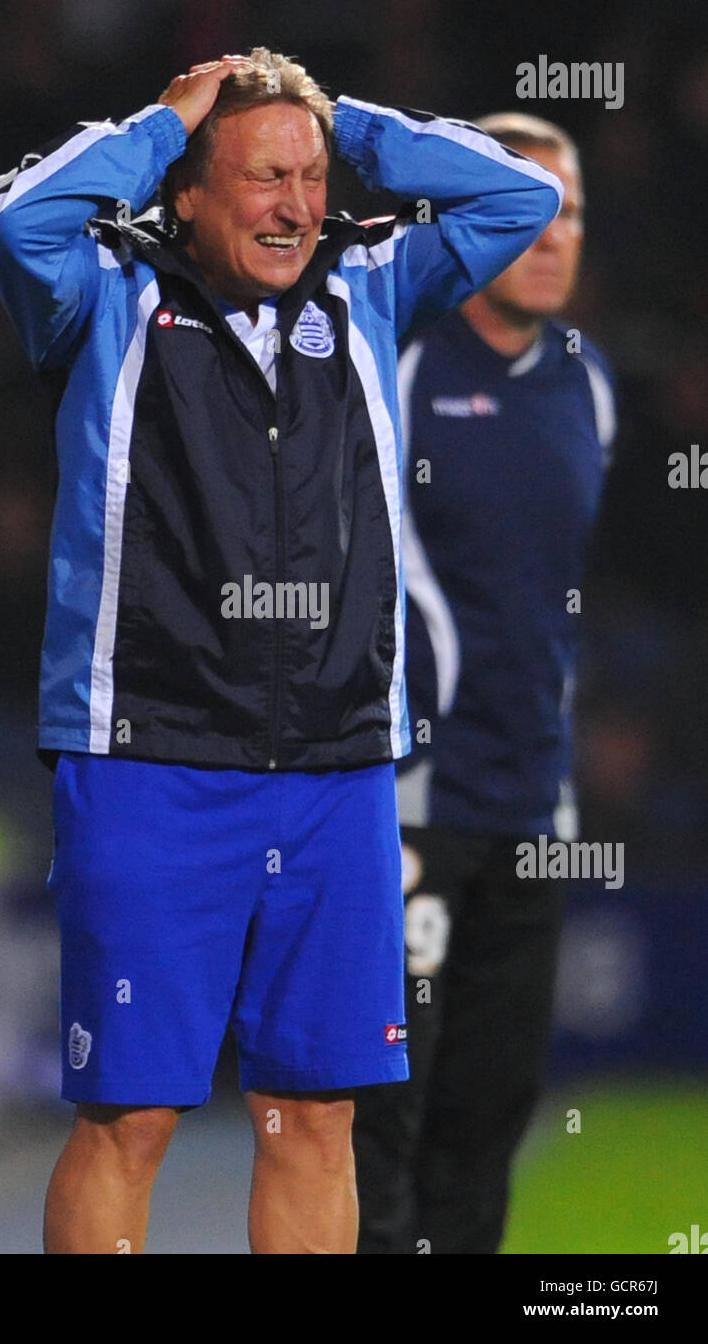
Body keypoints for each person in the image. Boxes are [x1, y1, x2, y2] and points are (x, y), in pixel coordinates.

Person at [0, 51, 562, 1255]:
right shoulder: (101, 294)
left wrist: (346, 122)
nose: (296, 202)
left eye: (309, 175)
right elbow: (8, 218)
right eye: (261, 177)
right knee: (130, 1116)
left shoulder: (373, 287)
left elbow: (519, 199)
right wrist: (163, 121)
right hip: (148, 756)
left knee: (314, 1115)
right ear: (186, 190)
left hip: (338, 767)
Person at [352, 113, 615, 1254]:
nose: (553, 239)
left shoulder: (587, 384)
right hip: (411, 805)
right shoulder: (398, 364)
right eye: (531, 210)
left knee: (489, 1114)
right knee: (382, 1122)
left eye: (572, 216)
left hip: (533, 808)